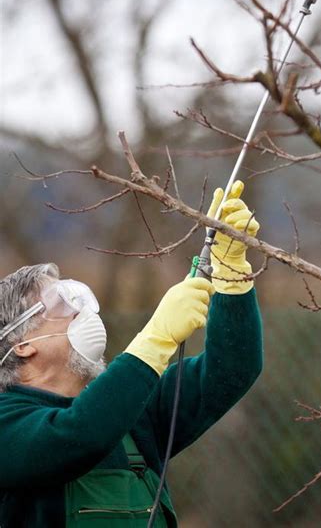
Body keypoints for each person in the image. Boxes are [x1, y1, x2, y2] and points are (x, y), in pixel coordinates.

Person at [0, 182, 263, 527]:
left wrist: (232, 275)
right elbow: (79, 435)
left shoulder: (136, 413)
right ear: (21, 344)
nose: (83, 313)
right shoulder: (8, 422)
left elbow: (232, 369)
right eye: (62, 304)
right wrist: (155, 340)